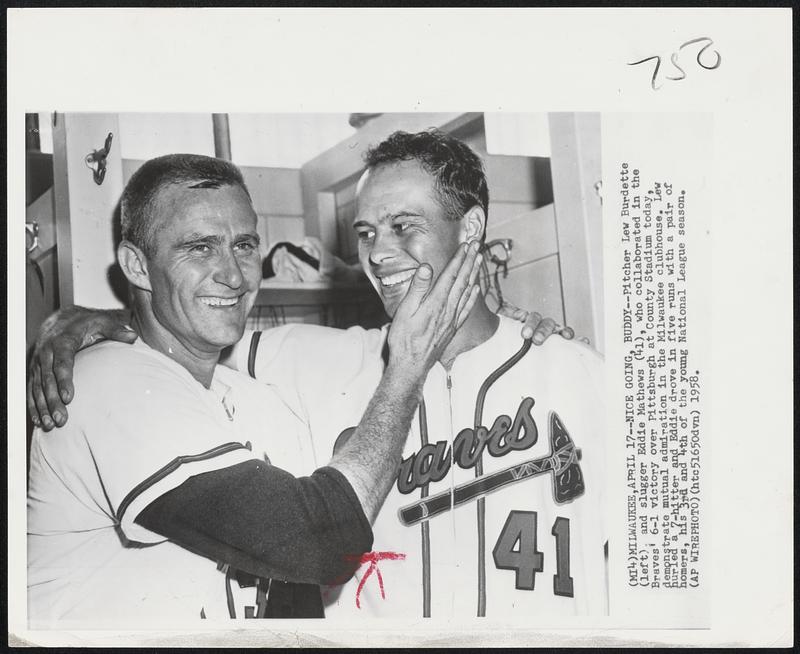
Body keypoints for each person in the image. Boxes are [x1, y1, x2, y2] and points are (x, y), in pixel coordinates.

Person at [29, 130, 604, 619]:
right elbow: (185, 331)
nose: (378, 254)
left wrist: (113, 316)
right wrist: (96, 321)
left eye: (403, 226)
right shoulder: (315, 361)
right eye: (366, 233)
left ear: (472, 228)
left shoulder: (576, 374)